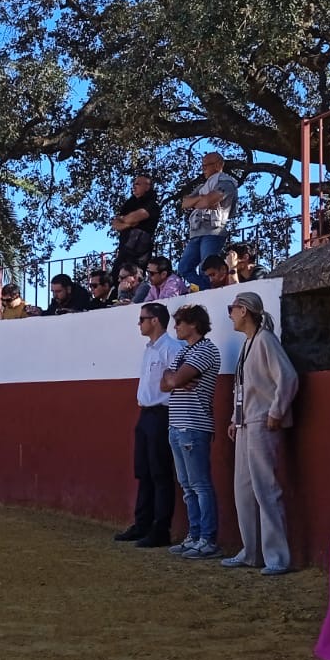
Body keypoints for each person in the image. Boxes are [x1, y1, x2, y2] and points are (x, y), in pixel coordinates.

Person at [224, 291, 298, 574]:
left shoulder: (265, 340)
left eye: (232, 309)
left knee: (266, 489)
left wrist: (277, 411)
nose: (230, 314)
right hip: (246, 423)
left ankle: (277, 557)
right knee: (243, 491)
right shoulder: (247, 344)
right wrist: (235, 417)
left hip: (262, 423)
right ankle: (252, 552)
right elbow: (244, 387)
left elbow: (287, 377)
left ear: (244, 310)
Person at [114, 302, 183, 548]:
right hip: (146, 414)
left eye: (143, 318)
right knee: (144, 471)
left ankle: (160, 529)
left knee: (160, 473)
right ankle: (143, 523)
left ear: (155, 320)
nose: (139, 323)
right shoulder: (151, 349)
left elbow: (178, 382)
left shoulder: (172, 349)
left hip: (162, 413)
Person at [160, 304, 222, 560]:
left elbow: (172, 382)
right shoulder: (187, 351)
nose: (175, 327)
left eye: (179, 323)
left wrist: (174, 379)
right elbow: (166, 382)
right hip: (179, 424)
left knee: (198, 485)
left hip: (193, 425)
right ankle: (195, 536)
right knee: (188, 486)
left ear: (193, 324)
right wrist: (173, 377)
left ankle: (206, 539)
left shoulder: (206, 350)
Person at [177, 152, 238, 289]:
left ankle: (208, 291)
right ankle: (204, 289)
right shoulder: (204, 186)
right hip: (196, 233)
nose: (203, 169)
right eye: (202, 166)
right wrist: (201, 200)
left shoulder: (226, 183)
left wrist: (201, 201)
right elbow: (185, 203)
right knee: (184, 267)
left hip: (213, 232)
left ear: (219, 165)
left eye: (206, 165)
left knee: (207, 268)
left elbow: (208, 200)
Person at [111, 173, 160, 272]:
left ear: (147, 187)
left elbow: (135, 217)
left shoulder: (152, 204)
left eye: (137, 184)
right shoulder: (129, 203)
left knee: (134, 277)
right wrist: (128, 223)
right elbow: (116, 224)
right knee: (116, 276)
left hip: (139, 249)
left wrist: (125, 220)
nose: (134, 186)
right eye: (134, 184)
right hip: (124, 247)